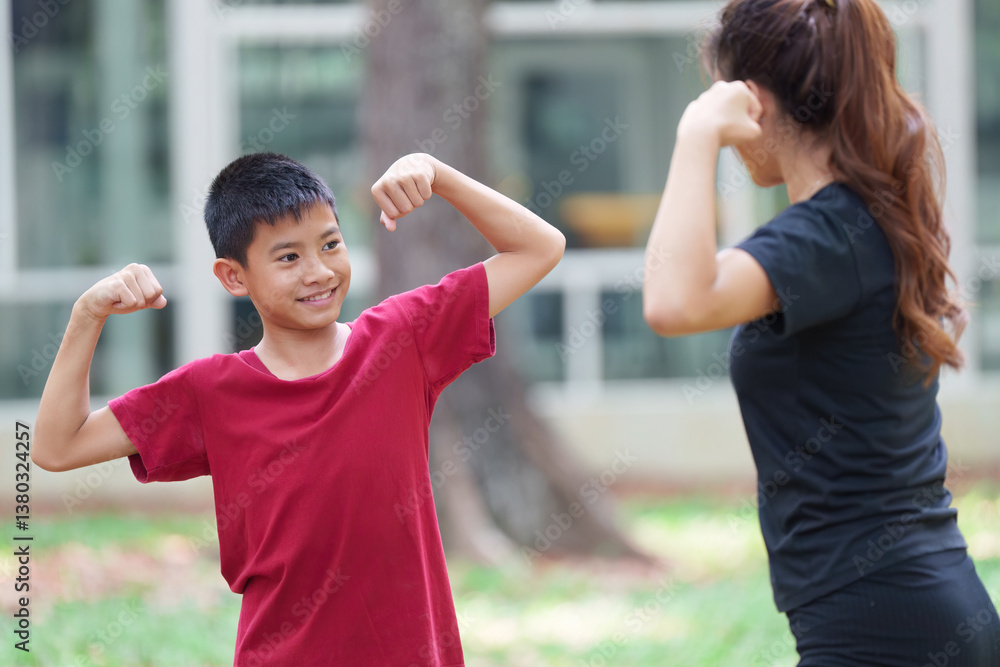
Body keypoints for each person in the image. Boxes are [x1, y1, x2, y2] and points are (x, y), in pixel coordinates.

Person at [31, 151, 566, 666]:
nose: (318, 271)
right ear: (233, 277)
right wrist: (88, 314)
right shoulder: (210, 391)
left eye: (331, 244)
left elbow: (539, 248)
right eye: (288, 257)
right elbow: (58, 446)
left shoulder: (403, 340)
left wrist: (437, 172)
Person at [642, 0, 999, 664]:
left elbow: (672, 301)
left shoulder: (829, 233)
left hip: (883, 622)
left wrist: (695, 136)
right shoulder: (857, 223)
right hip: (911, 606)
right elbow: (697, 283)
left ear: (752, 100)